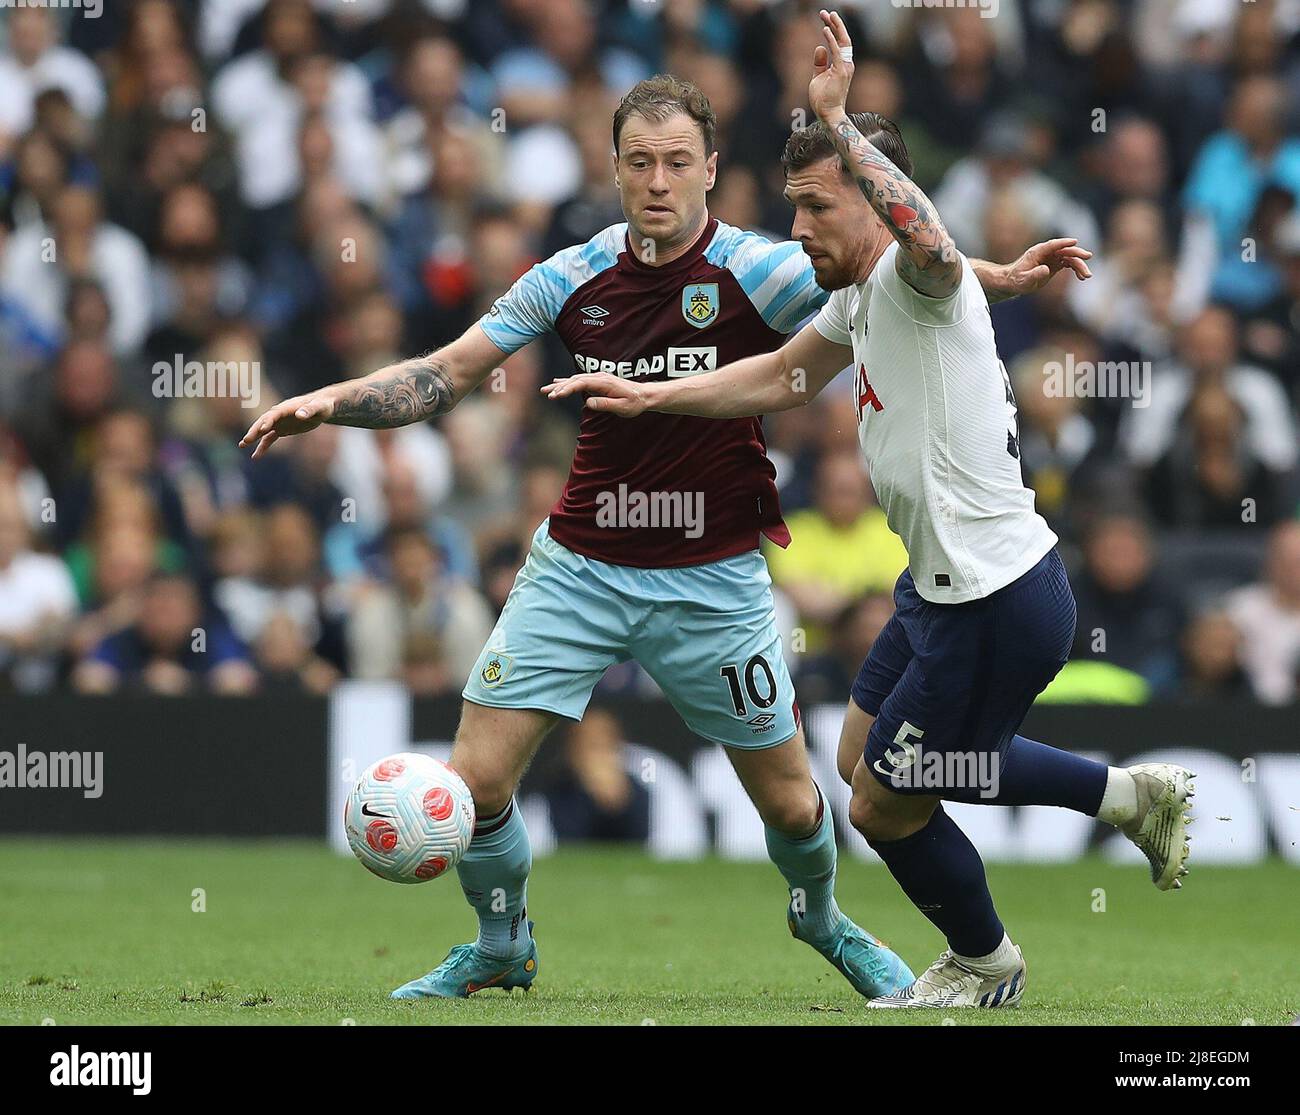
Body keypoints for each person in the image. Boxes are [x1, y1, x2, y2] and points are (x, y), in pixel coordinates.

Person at [241, 68, 1086, 1003]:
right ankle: (500, 942)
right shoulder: (571, 276)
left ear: (711, 169)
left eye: (677, 161)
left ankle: (824, 919)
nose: (657, 180)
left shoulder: (764, 269)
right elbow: (447, 373)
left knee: (798, 803)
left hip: (714, 582)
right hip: (578, 568)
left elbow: (904, 276)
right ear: (612, 169)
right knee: (475, 785)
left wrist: (987, 278)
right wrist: (332, 402)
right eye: (639, 161)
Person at [544, 11, 1193, 1011]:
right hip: (936, 591)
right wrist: (649, 393)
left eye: (813, 208)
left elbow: (928, 243)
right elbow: (778, 377)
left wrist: (841, 120)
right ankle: (1124, 795)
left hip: (998, 596)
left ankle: (986, 958)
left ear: (872, 204)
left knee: (887, 801)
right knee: (860, 760)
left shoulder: (912, 273)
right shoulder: (860, 296)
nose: (795, 229)